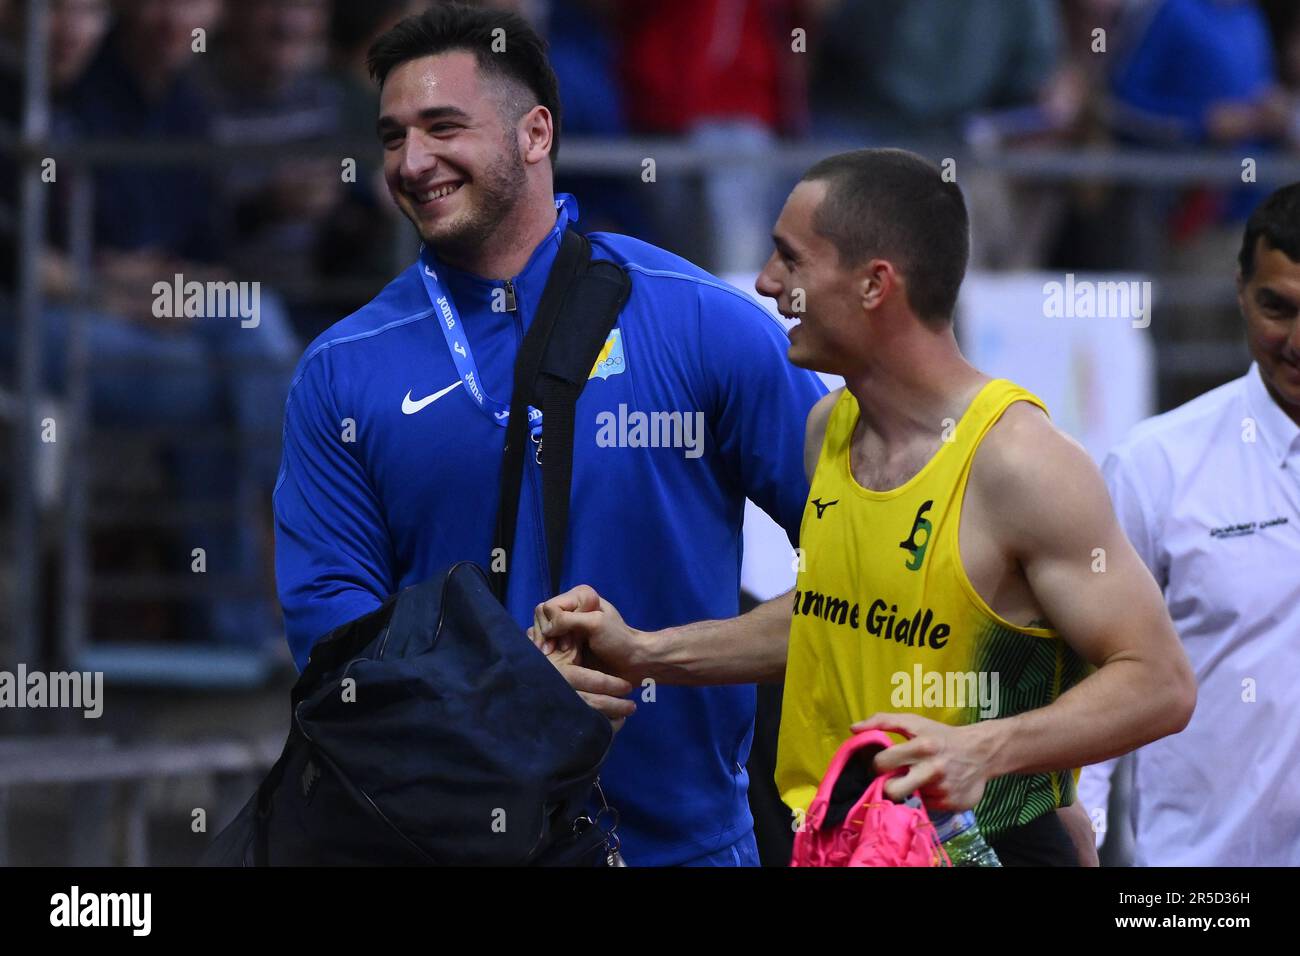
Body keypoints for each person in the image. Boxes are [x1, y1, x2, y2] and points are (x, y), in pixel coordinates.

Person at [272, 4, 826, 866]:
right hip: (446, 851)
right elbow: (333, 646)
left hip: (682, 851)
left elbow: (865, 559)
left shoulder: (702, 324)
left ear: (536, 134)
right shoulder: (344, 370)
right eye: (392, 137)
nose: (412, 162)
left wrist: (664, 657)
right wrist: (501, 694)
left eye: (443, 127)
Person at [533, 148, 1197, 866]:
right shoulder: (830, 427)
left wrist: (978, 750)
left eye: (790, 259)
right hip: (835, 843)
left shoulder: (1020, 463)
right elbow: (829, 614)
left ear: (875, 284)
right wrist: (647, 653)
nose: (766, 282)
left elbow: (1159, 681)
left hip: (985, 848)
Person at [1078, 183, 1300, 866]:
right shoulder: (1156, 467)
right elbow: (1089, 680)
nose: (1298, 343)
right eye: (1277, 307)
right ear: (1239, 290)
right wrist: (1073, 850)